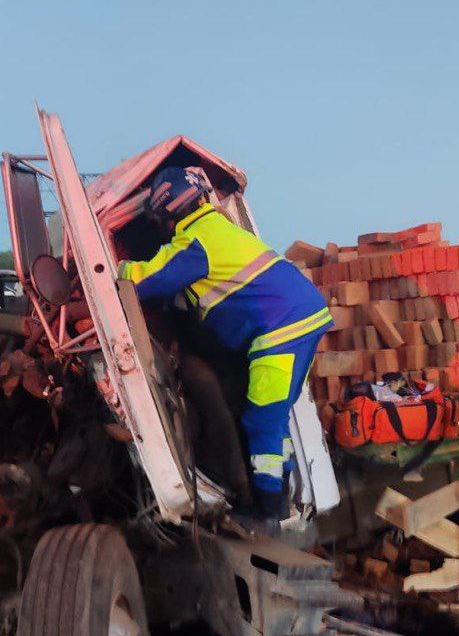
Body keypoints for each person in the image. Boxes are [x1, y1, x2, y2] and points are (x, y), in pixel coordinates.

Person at [119, 167, 333, 528]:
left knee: (262, 419)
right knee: (275, 416)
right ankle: (278, 497)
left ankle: (266, 511)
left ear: (168, 214)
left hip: (279, 331)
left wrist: (118, 269)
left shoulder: (195, 242)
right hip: (301, 320)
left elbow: (150, 279)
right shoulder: (218, 228)